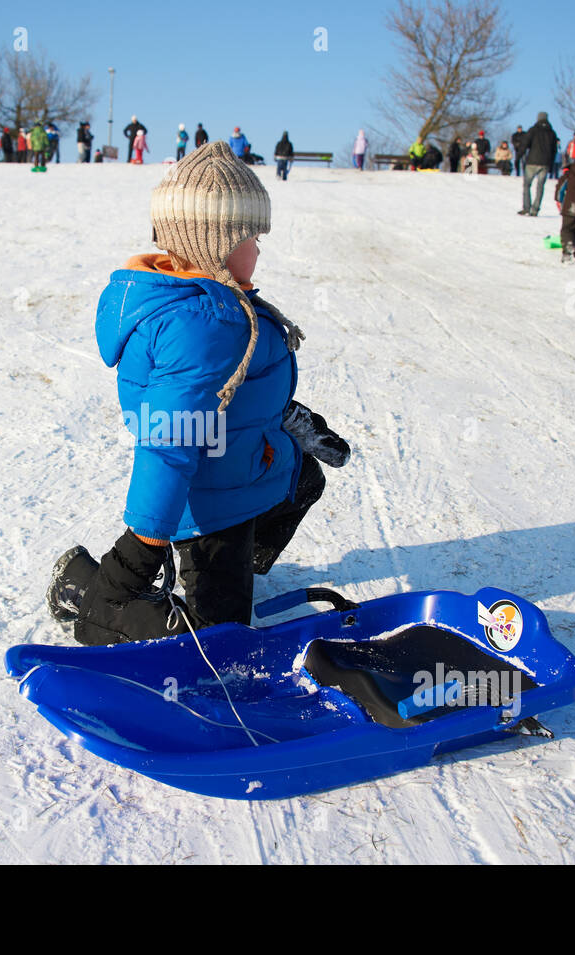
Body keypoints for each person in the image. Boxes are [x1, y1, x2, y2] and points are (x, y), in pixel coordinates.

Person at [46, 141, 348, 645]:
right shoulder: (205, 326)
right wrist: (139, 552)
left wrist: (289, 416)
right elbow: (170, 441)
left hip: (244, 468)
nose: (259, 248)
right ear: (218, 245)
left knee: (304, 477)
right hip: (209, 506)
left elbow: (237, 392)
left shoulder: (223, 306)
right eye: (252, 236)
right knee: (220, 638)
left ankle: (233, 571)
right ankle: (87, 588)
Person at [519, 111, 559, 216]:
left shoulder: (533, 130)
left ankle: (526, 207)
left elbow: (525, 143)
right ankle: (535, 209)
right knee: (540, 187)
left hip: (532, 161)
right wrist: (551, 165)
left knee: (527, 185)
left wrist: (519, 156)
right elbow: (554, 151)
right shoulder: (552, 133)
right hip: (545, 163)